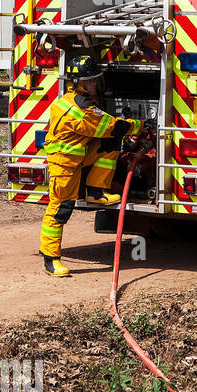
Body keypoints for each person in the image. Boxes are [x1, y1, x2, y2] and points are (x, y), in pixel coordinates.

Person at [39, 56, 140, 277]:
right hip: (64, 163)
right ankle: (51, 258)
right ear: (77, 82)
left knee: (113, 144)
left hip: (76, 155)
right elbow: (110, 127)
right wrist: (137, 125)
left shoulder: (71, 99)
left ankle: (95, 191)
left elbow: (105, 132)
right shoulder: (82, 107)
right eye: (90, 81)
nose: (95, 84)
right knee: (60, 209)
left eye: (95, 80)